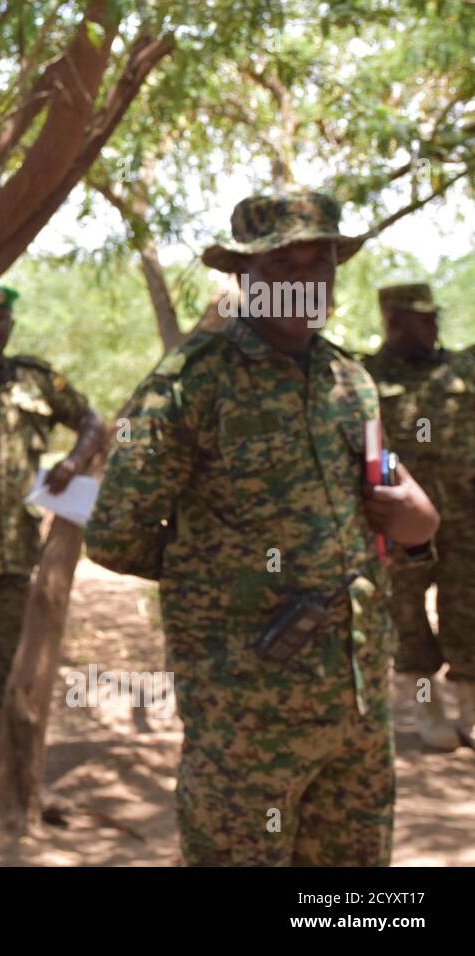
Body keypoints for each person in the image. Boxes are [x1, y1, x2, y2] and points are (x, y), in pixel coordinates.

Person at [86, 190, 440, 866]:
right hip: (246, 714)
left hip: (357, 705)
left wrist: (420, 530)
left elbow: (380, 512)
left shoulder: (352, 382)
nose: (306, 282)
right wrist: (234, 573)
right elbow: (114, 534)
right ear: (243, 276)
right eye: (284, 267)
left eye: (321, 264)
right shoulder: (189, 385)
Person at [0, 285, 103, 806]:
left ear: (10, 326)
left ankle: (19, 786)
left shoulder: (38, 380)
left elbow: (93, 420)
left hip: (15, 558)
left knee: (9, 679)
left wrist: (74, 462)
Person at [362, 283, 475, 748]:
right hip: (401, 525)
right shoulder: (364, 377)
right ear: (393, 322)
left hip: (466, 518)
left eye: (432, 318)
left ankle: (468, 711)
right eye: (419, 319)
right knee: (406, 616)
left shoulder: (463, 368)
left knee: (467, 612)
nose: (430, 327)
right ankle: (428, 711)